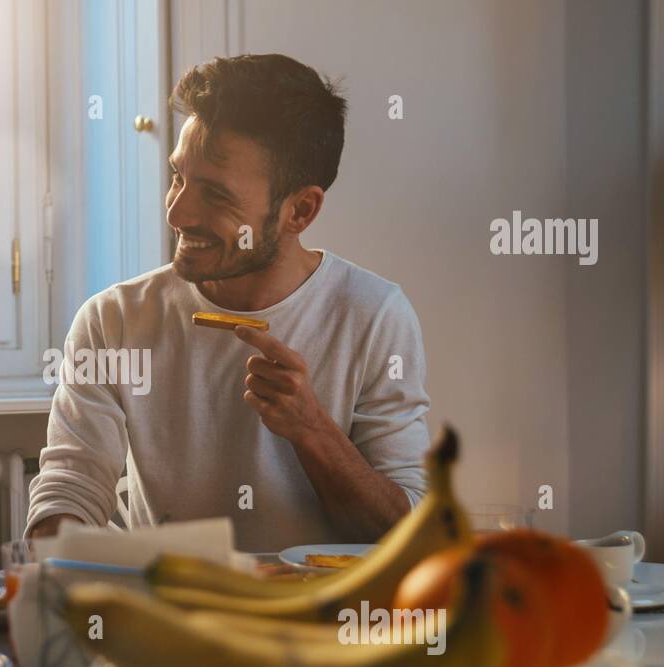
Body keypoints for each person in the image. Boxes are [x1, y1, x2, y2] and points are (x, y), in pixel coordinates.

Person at [26, 54, 430, 550]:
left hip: (321, 622)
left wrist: (312, 430)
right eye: (178, 177)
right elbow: (70, 490)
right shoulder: (113, 321)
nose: (177, 213)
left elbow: (405, 534)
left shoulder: (373, 315)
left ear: (300, 210)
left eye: (215, 196)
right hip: (172, 618)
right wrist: (59, 548)